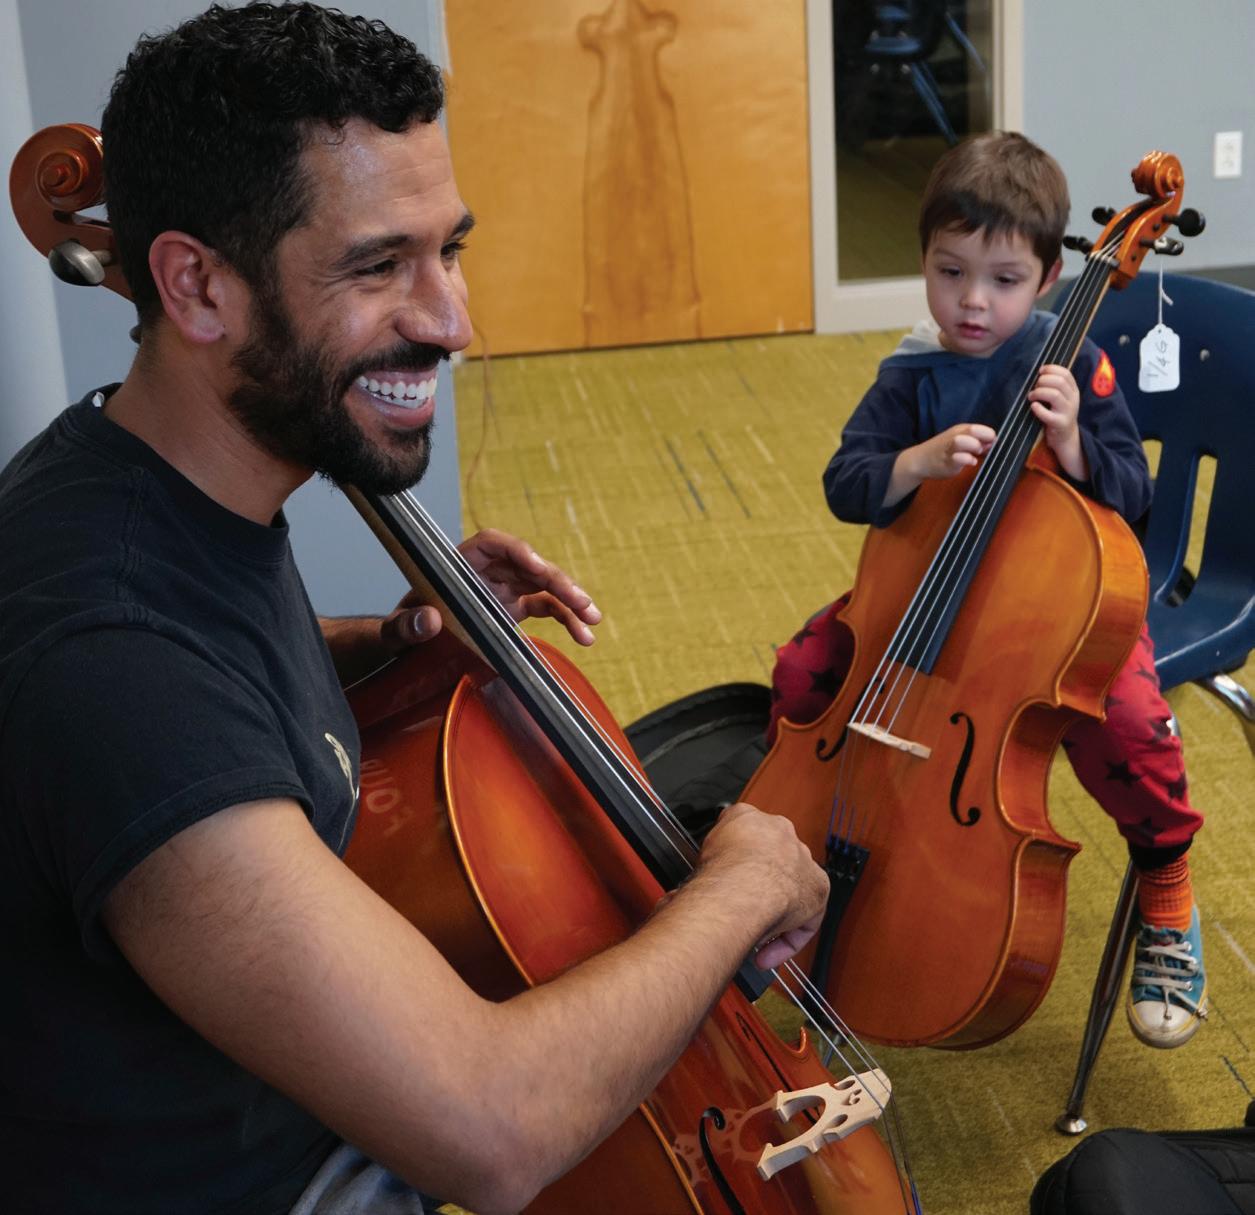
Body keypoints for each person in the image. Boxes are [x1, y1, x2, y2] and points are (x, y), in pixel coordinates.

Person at [0, 5, 830, 1213]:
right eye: (380, 265)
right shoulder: (112, 665)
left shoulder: (149, 475)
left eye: (451, 250)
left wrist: (387, 646)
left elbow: (219, 678)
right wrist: (744, 881)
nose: (452, 319)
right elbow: (492, 1129)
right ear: (193, 285)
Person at [769, 131, 1206, 1051]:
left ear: (1048, 277)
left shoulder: (1069, 367)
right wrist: (912, 463)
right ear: (923, 263)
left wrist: (1078, 443)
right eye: (948, 271)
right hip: (921, 601)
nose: (971, 301)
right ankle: (801, 825)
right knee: (806, 670)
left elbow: (1135, 494)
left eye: (1002, 280)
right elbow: (846, 485)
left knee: (1126, 720)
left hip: (1058, 611)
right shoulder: (911, 372)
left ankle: (1166, 882)